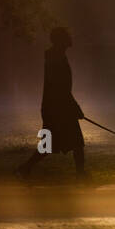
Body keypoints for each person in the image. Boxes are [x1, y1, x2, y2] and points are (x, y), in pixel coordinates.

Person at [16, 27, 89, 181]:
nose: (71, 37)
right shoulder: (56, 57)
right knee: (75, 143)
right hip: (58, 108)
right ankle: (80, 174)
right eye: (67, 36)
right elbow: (60, 87)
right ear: (61, 40)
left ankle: (26, 168)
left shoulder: (56, 56)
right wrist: (75, 107)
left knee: (51, 144)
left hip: (55, 107)